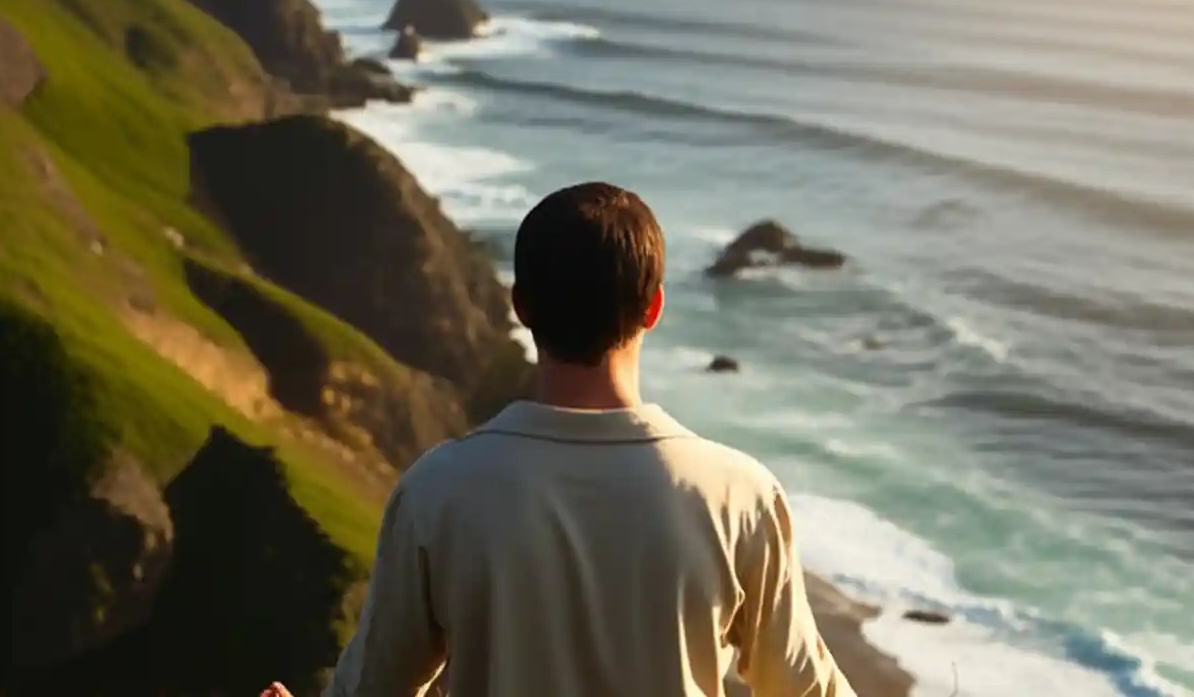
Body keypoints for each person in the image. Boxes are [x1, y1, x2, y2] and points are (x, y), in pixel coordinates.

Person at [263, 183, 854, 697]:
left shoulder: (438, 490)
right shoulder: (738, 495)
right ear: (654, 308)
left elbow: (376, 687)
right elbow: (804, 687)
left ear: (520, 306)